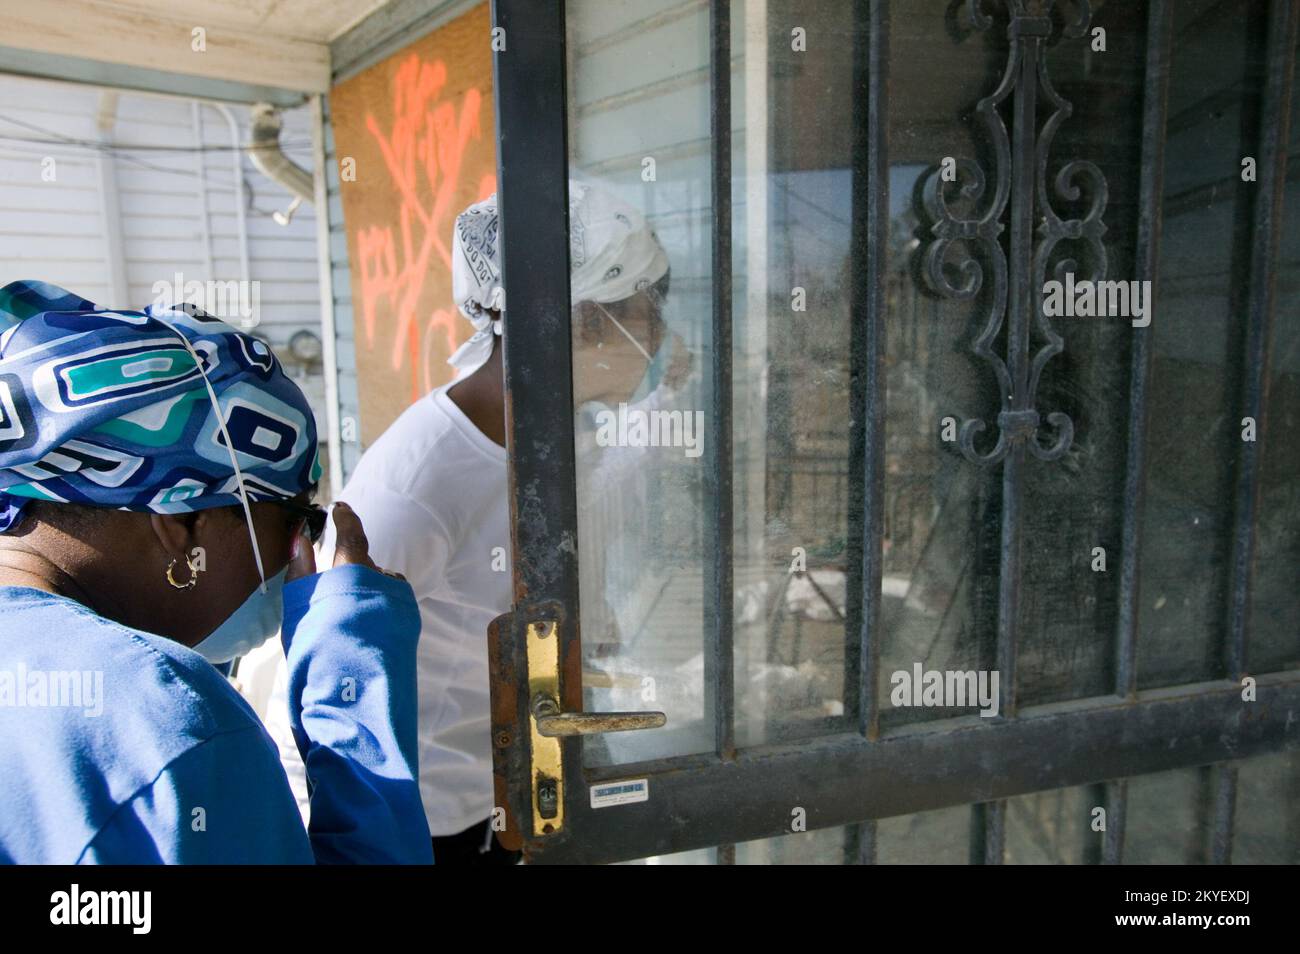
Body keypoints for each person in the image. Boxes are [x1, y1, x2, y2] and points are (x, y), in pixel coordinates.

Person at [312, 181, 691, 862]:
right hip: (432, 830)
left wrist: (671, 397)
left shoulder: (550, 429)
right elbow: (326, 683)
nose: (662, 332)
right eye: (648, 310)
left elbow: (600, 488)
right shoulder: (417, 482)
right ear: (584, 322)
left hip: (515, 792)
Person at [0, 280, 431, 864]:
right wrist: (352, 682)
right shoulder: (165, 716)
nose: (298, 554)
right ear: (181, 524)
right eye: (299, 518)